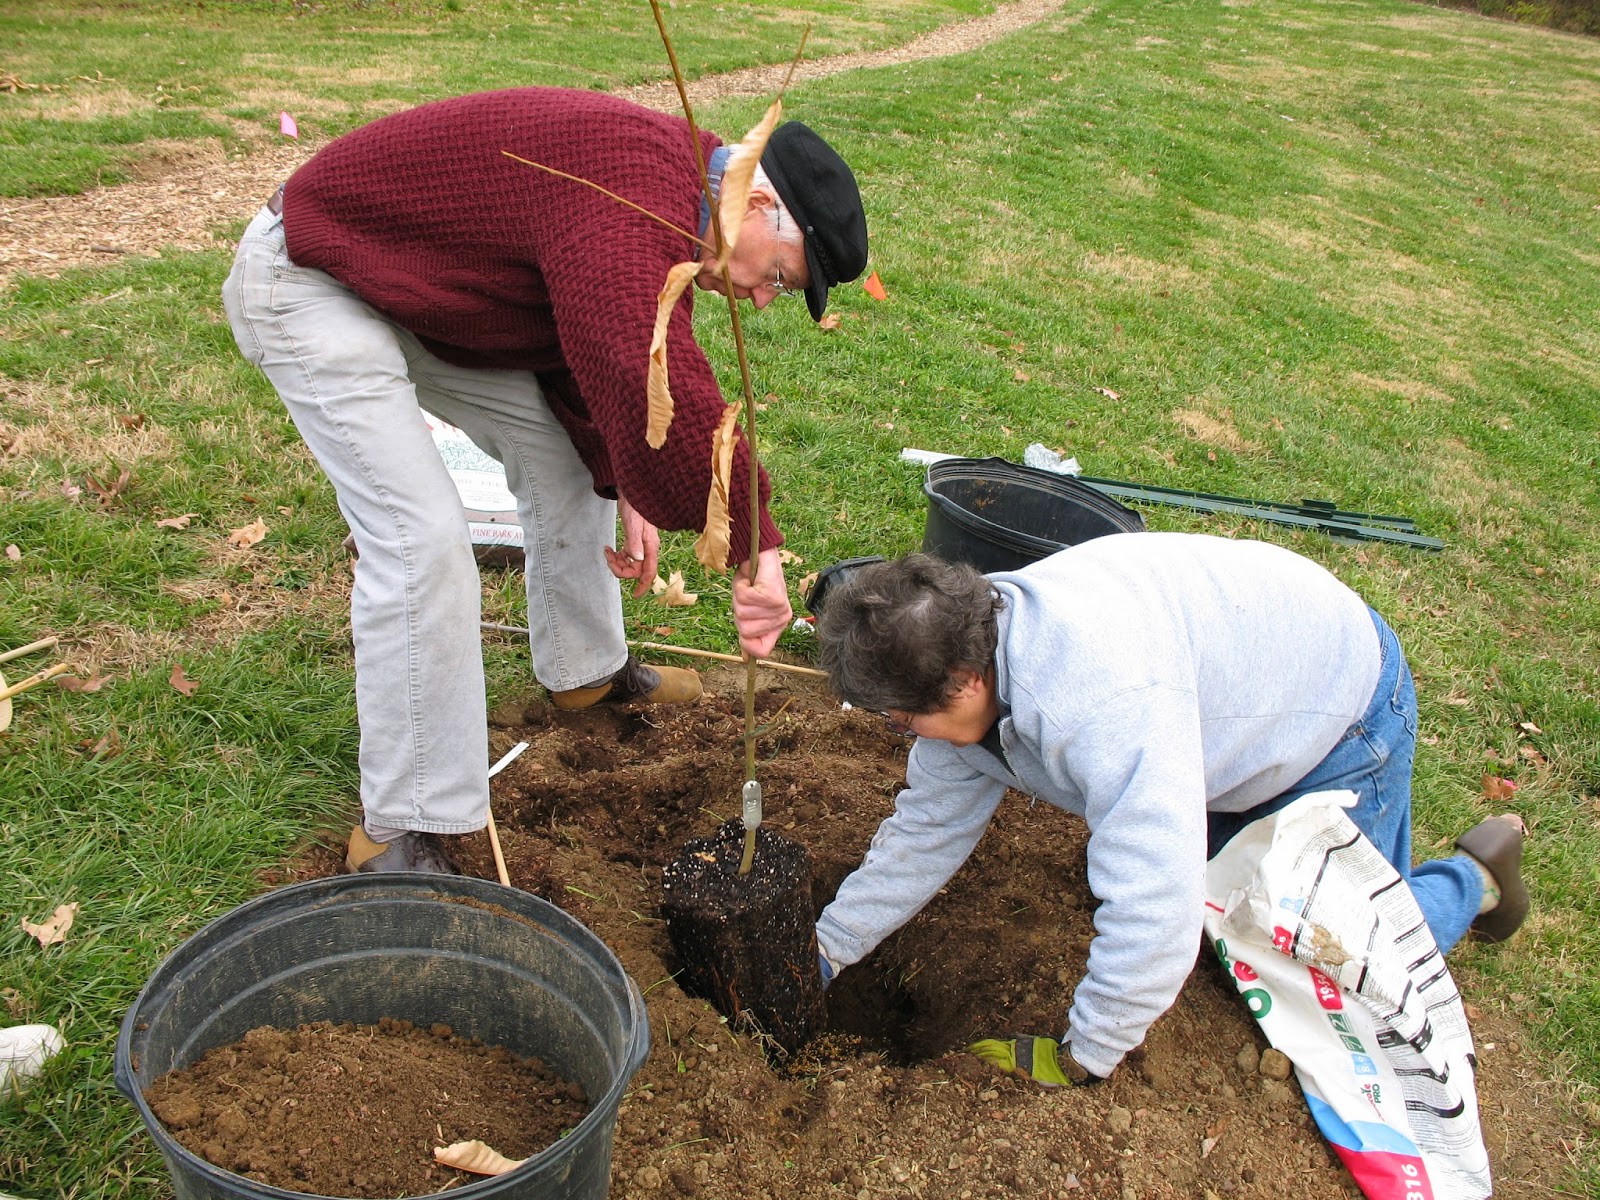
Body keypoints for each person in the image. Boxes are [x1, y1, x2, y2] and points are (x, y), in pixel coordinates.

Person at [222, 87, 868, 875]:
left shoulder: (674, 196)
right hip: (312, 276)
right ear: (756, 202)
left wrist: (620, 472)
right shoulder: (636, 190)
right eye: (778, 276)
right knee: (419, 539)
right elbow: (636, 364)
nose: (763, 298)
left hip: (416, 293)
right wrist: (754, 543)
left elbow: (595, 348)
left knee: (563, 456)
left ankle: (585, 674)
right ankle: (399, 829)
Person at [812, 538, 1528, 1086]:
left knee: (1343, 959)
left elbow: (1158, 906)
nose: (902, 731)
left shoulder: (1099, 705)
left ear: (965, 682)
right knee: (1234, 918)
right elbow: (924, 833)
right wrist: (825, 949)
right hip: (1220, 712)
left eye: (904, 718)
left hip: (1336, 714)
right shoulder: (965, 651)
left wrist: (1084, 1055)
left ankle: (1477, 879)